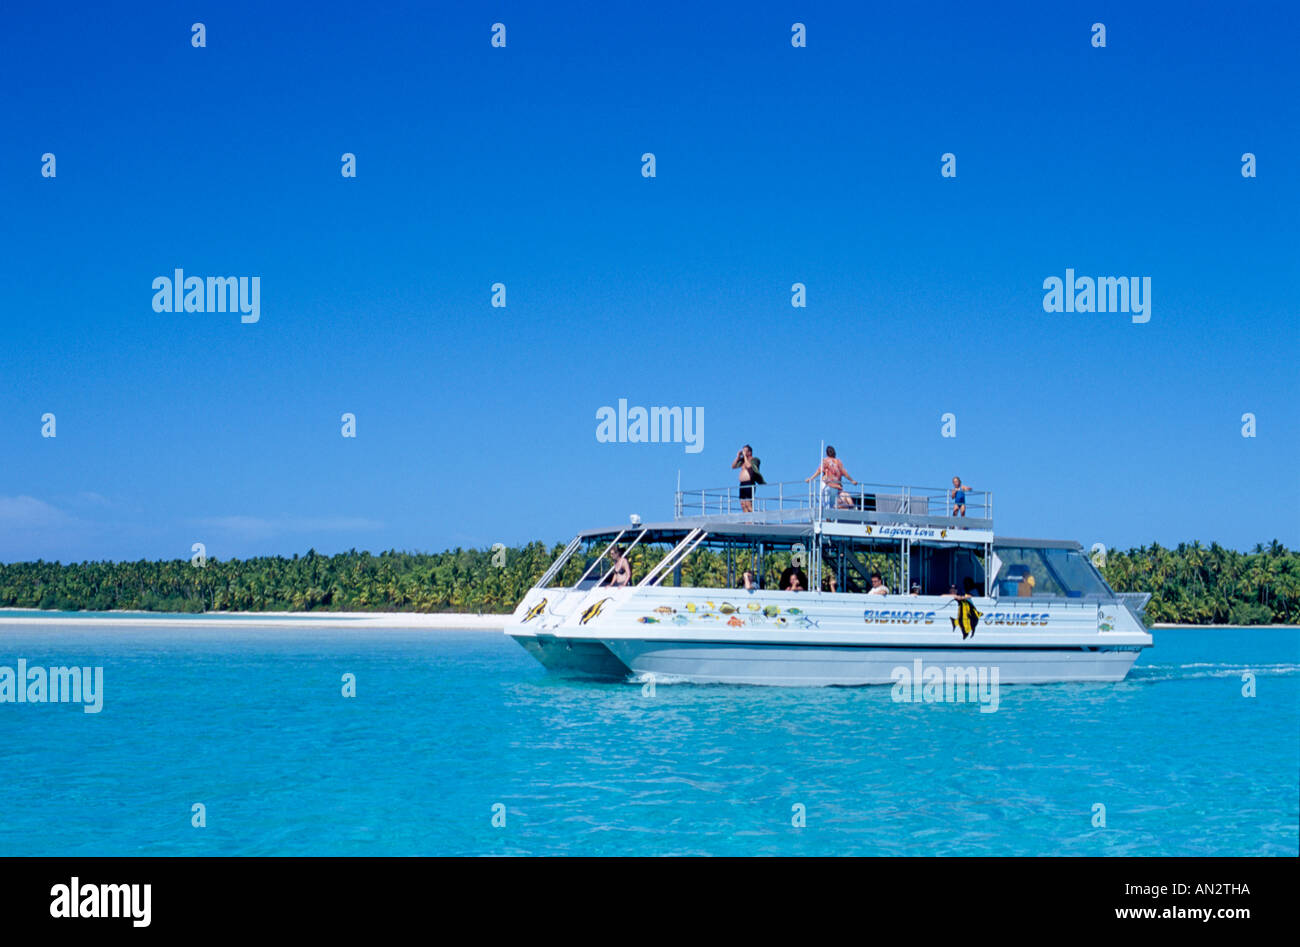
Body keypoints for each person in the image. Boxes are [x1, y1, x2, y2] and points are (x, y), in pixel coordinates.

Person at [806, 445, 857, 512]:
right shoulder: (838, 462)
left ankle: (832, 515)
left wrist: (811, 479)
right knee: (847, 496)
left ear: (826, 453)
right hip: (838, 487)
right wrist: (852, 481)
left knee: (829, 505)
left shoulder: (826, 461)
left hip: (829, 487)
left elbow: (819, 471)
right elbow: (845, 473)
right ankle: (851, 508)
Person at [732, 445, 763, 513]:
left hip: (749, 483)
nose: (743, 452)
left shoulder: (754, 460)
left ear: (749, 452)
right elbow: (733, 466)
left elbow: (748, 466)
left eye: (745, 450)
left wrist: (745, 457)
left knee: (748, 504)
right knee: (743, 504)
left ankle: (756, 517)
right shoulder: (743, 461)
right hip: (742, 484)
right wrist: (738, 457)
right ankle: (747, 522)